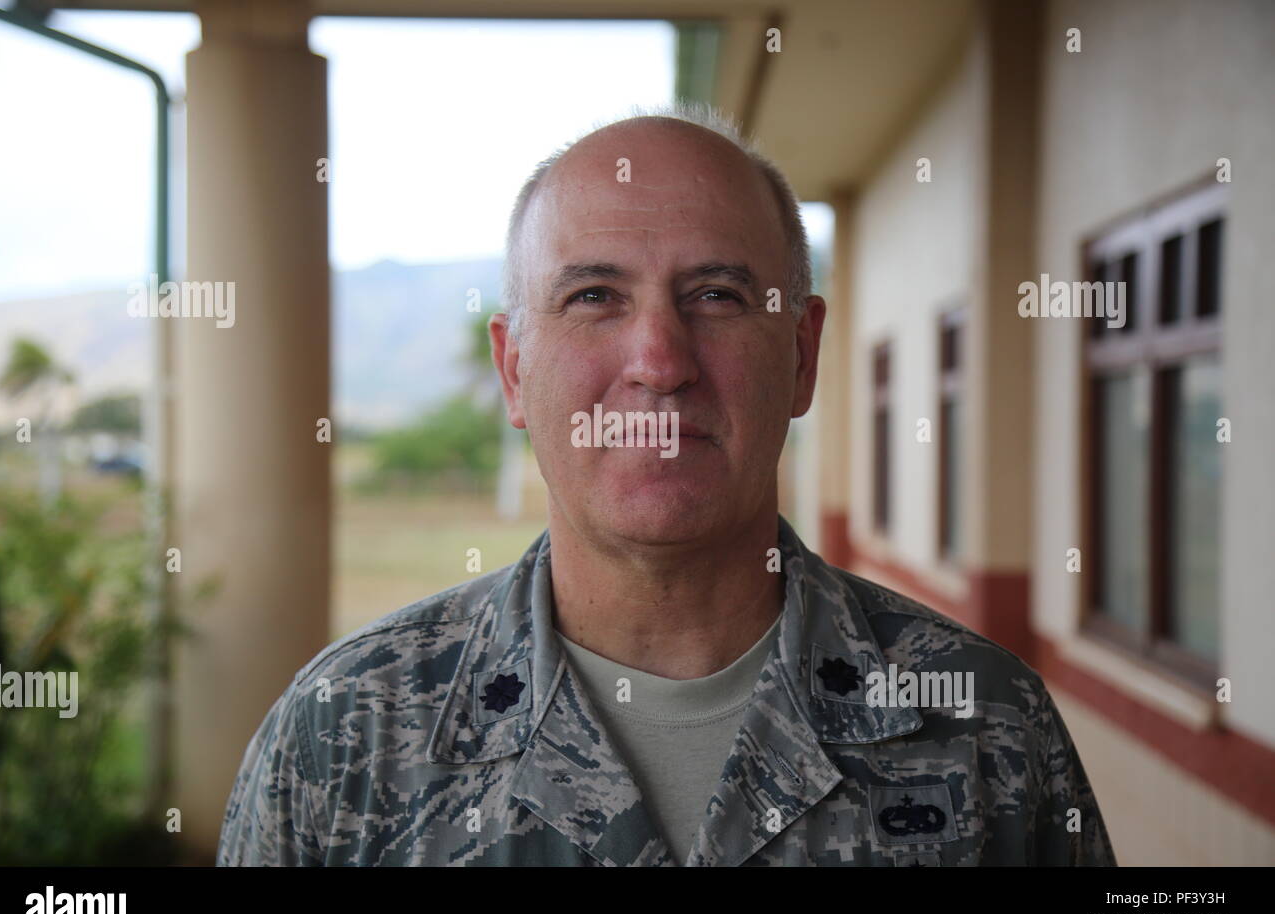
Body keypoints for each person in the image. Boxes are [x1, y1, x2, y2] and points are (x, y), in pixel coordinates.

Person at [217, 102, 1116, 866]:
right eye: (594, 297)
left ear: (801, 356)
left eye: (719, 295)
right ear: (514, 368)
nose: (658, 360)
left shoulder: (986, 725)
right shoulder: (345, 735)